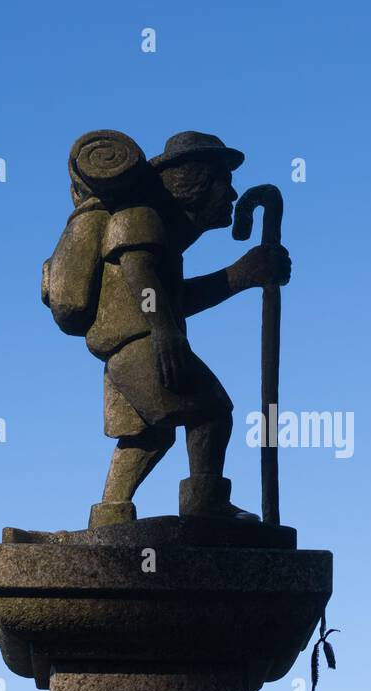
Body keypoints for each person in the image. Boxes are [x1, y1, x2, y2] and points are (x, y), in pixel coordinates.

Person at [83, 131, 291, 528]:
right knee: (212, 411)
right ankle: (204, 502)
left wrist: (239, 275)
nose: (232, 195)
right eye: (223, 183)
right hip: (141, 341)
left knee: (149, 436)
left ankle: (110, 515)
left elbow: (176, 297)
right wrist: (165, 332)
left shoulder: (166, 236)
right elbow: (138, 272)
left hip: (128, 344)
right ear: (195, 184)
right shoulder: (144, 217)